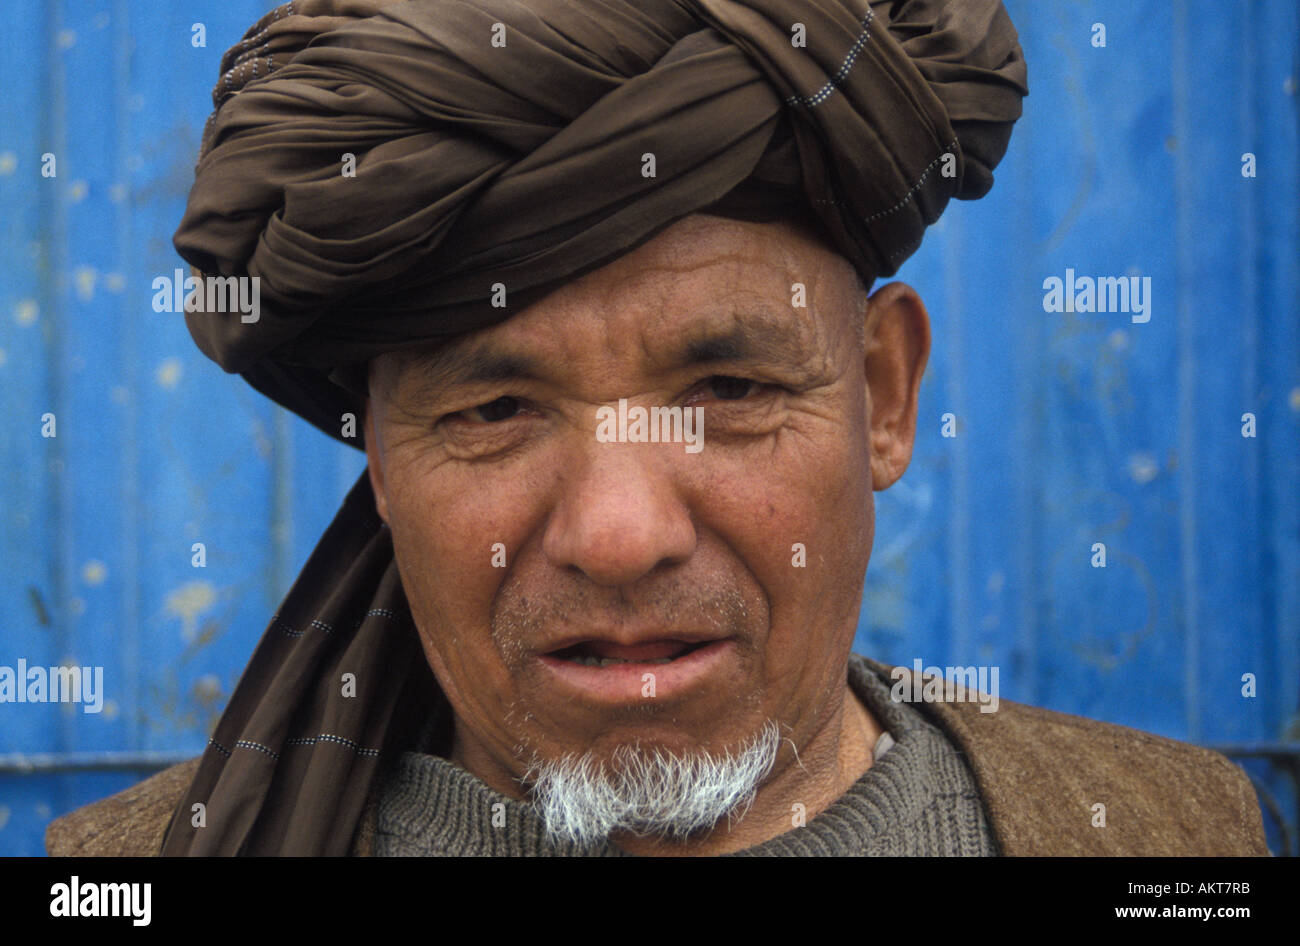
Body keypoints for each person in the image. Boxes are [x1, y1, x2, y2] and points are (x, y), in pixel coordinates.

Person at [46, 0, 1266, 856]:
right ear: (375, 449)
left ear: (882, 397)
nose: (619, 536)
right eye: (494, 409)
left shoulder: (1178, 835)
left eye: (728, 393)